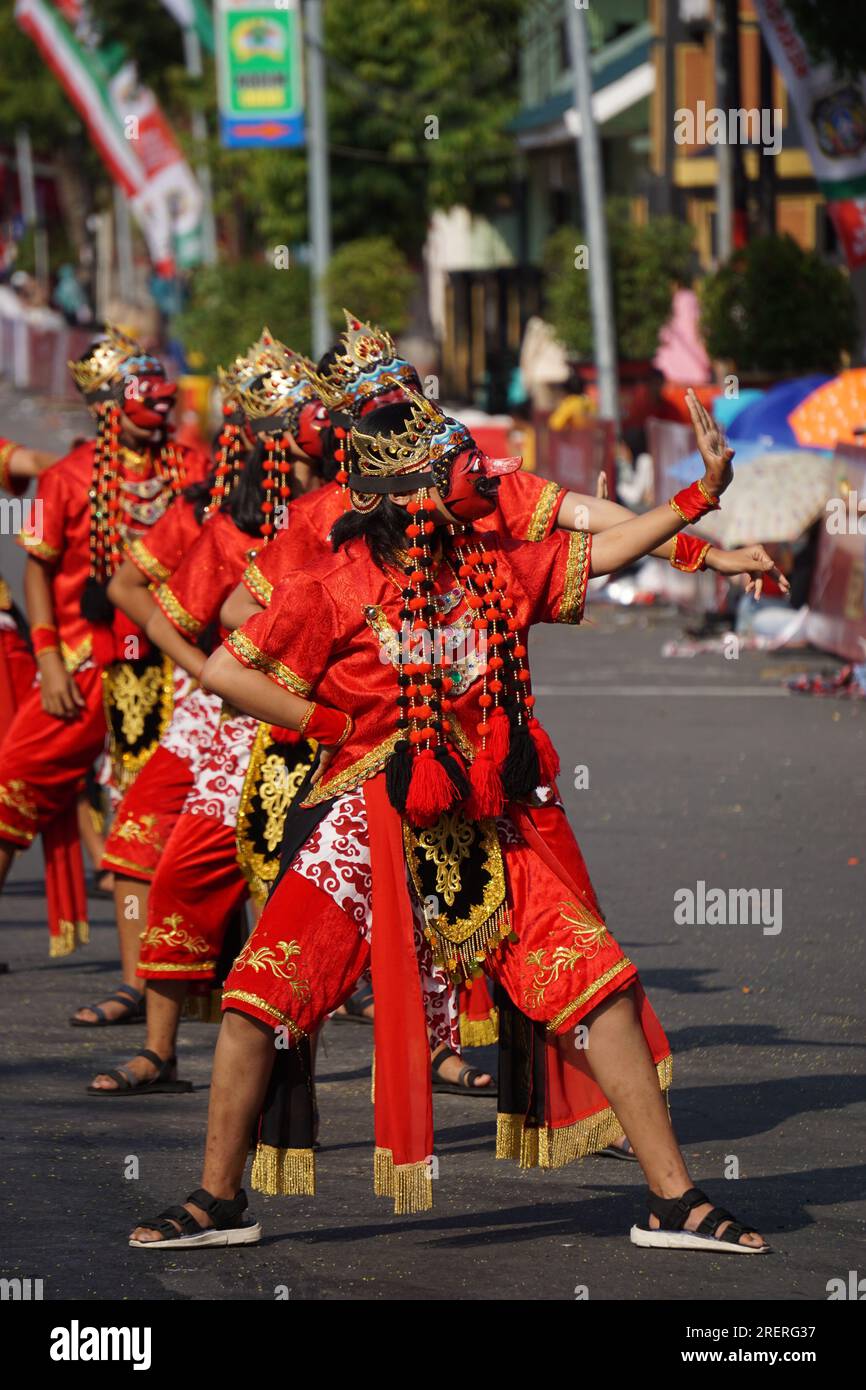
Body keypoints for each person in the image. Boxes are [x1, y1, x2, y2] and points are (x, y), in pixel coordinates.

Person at [128, 388, 769, 1255]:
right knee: (257, 1003)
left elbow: (603, 547)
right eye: (452, 467)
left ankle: (674, 1199)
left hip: (479, 828)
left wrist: (697, 501)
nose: (479, 477)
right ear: (400, 495)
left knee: (599, 987)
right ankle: (217, 1200)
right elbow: (225, 670)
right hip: (362, 827)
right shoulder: (332, 588)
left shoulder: (492, 565)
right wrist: (329, 725)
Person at [87, 336, 326, 1093]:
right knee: (175, 865)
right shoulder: (229, 523)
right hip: (234, 725)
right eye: (281, 433)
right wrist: (216, 681)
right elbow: (158, 608)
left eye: (304, 431)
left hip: (336, 727)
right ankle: (160, 1042)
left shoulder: (351, 513)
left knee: (376, 899)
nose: (293, 448)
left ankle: (432, 1055)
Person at [0, 327, 208, 956]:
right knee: (12, 784)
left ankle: (170, 968)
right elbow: (37, 568)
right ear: (103, 407)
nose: (159, 412)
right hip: (84, 666)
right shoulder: (66, 476)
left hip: (177, 672)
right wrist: (48, 661)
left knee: (183, 822)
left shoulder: (195, 466)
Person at [70, 345, 257, 1026]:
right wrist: (188, 651)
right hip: (147, 675)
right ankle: (136, 986)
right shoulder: (79, 475)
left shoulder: (206, 474)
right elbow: (119, 582)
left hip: (255, 696)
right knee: (134, 827)